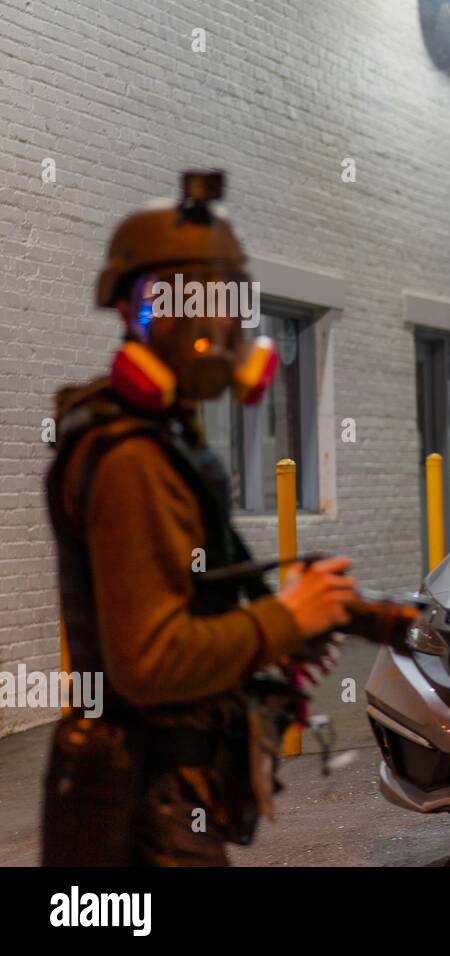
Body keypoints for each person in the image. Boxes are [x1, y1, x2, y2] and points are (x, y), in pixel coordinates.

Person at [41, 170, 357, 866]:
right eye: (214, 302)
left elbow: (187, 607)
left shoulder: (165, 442)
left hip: (165, 803)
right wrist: (285, 620)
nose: (233, 327)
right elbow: (151, 663)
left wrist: (277, 635)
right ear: (151, 311)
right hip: (137, 819)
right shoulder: (129, 459)